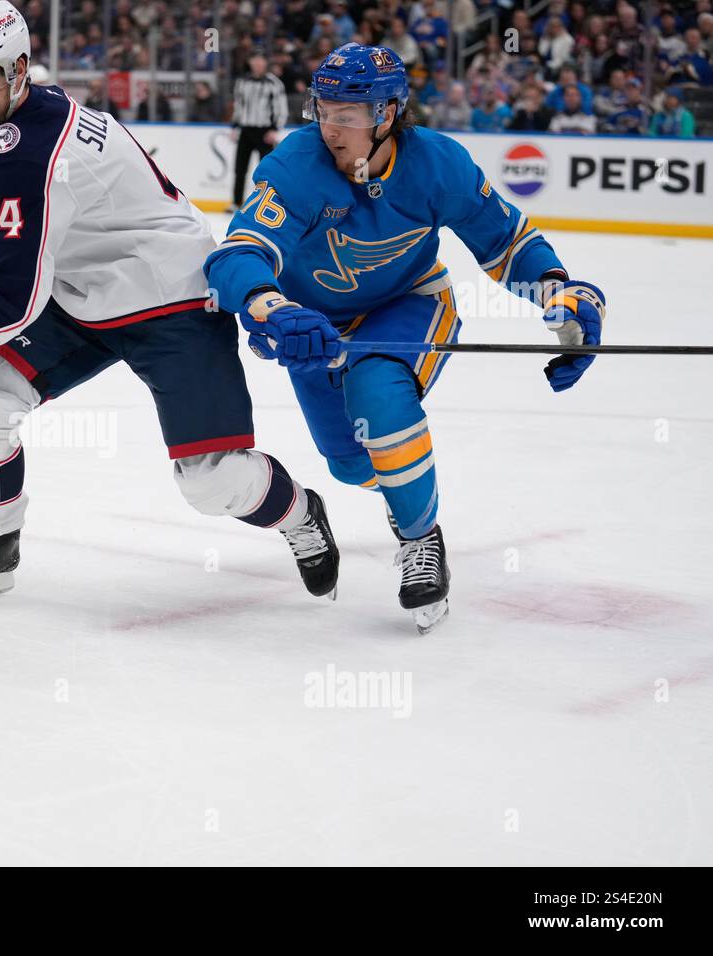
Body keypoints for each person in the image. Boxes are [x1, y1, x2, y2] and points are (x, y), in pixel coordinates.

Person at [0, 1, 340, 602]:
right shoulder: (10, 124)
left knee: (211, 484)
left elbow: (13, 298)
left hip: (171, 297)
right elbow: (5, 212)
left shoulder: (34, 148)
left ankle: (299, 514)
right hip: (83, 293)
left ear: (18, 69)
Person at [204, 44, 606, 633]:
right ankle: (404, 491)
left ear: (389, 113)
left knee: (379, 393)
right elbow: (239, 253)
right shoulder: (295, 165)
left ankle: (420, 540)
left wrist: (557, 292)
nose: (332, 128)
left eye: (350, 114)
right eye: (324, 110)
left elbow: (507, 242)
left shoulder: (438, 165)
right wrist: (272, 308)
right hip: (312, 328)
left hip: (409, 303)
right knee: (347, 464)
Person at [229, 52, 288, 212]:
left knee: (266, 170)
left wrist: (275, 130)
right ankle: (236, 202)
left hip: (265, 131)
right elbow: (239, 106)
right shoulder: (241, 82)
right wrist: (235, 126)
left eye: (261, 59)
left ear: (265, 62)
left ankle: (265, 202)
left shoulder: (274, 83)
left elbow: (281, 108)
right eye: (254, 59)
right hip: (246, 129)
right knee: (240, 169)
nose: (257, 63)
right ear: (250, 61)